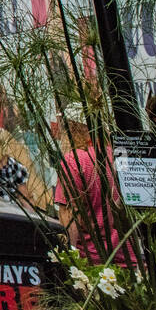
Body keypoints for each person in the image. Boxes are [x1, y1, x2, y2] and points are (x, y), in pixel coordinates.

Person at [53, 103, 136, 266]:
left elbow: (70, 214)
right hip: (128, 257)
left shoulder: (74, 160)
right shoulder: (117, 155)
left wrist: (70, 261)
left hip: (93, 262)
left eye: (64, 126)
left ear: (73, 128)